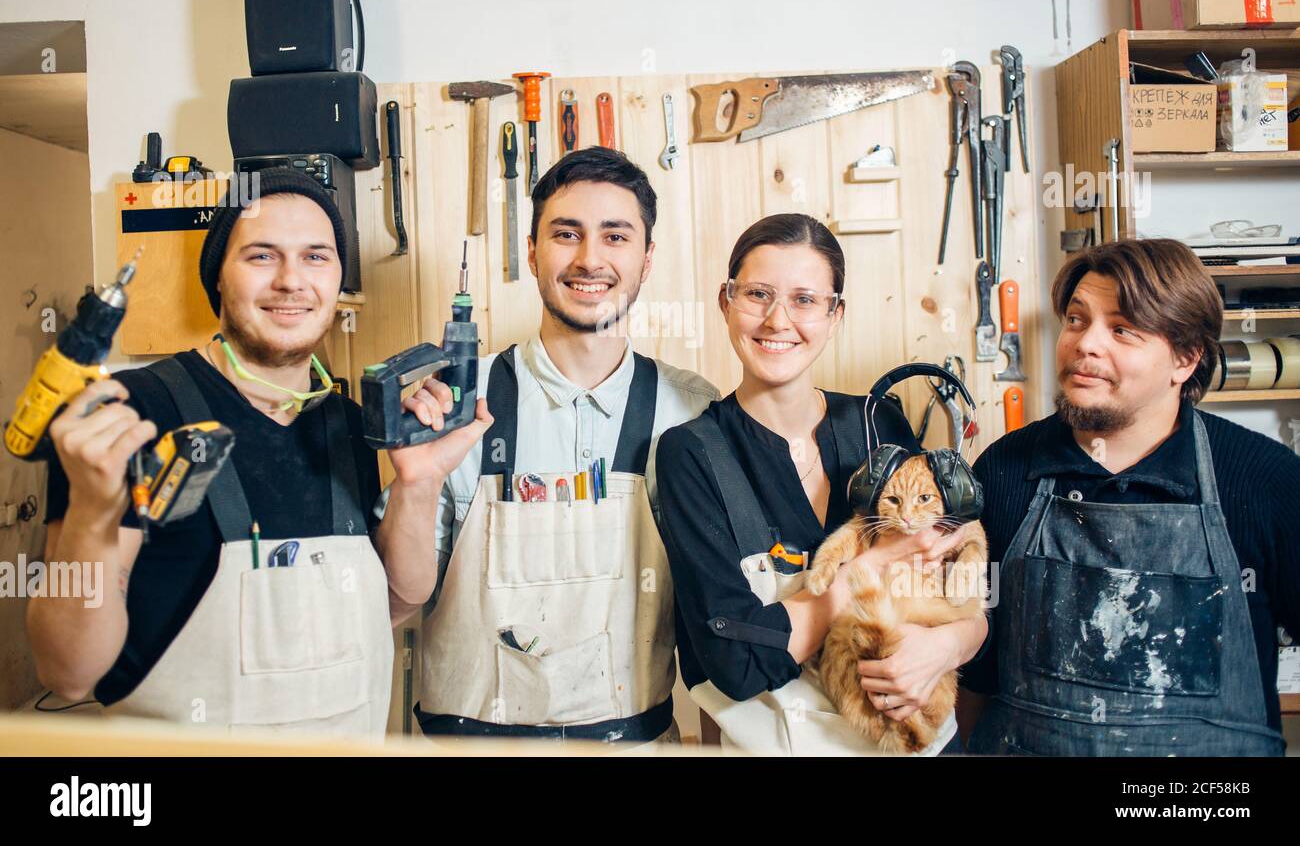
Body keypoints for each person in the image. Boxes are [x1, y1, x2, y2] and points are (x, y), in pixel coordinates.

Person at [29, 168, 481, 736]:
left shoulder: (346, 421)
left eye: (316, 257)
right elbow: (66, 673)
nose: (292, 281)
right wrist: (93, 517)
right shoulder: (130, 415)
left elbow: (396, 602)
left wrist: (419, 484)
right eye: (262, 256)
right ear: (217, 277)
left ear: (339, 280)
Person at [389, 147, 717, 744]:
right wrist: (416, 483)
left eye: (615, 236)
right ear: (534, 252)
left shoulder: (691, 408)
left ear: (647, 260)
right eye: (567, 234)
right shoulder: (457, 403)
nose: (590, 259)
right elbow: (395, 602)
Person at [654, 213, 987, 754]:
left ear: (836, 315)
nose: (777, 320)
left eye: (806, 300)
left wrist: (951, 643)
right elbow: (735, 665)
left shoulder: (880, 424)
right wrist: (871, 567)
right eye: (758, 294)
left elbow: (965, 582)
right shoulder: (693, 454)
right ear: (725, 302)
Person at [963, 238, 1299, 756]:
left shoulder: (1262, 481)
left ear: (1185, 359)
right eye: (1076, 320)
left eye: (1122, 329)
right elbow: (973, 677)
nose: (1085, 344)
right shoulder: (1005, 472)